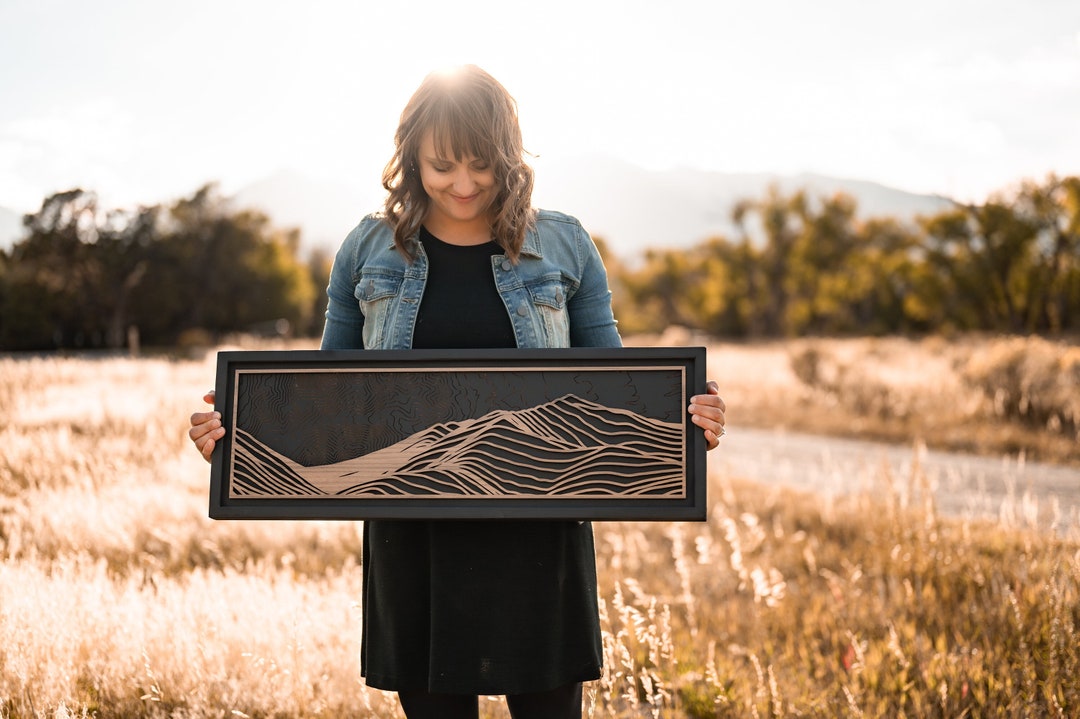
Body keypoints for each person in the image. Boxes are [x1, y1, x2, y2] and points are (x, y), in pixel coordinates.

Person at [189, 64, 726, 719]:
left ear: (510, 158)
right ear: (411, 157)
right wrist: (239, 442)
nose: (464, 184)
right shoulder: (366, 248)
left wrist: (684, 421)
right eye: (443, 165)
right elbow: (328, 397)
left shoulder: (565, 243)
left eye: (482, 165)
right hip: (413, 532)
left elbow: (616, 383)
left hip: (540, 524)